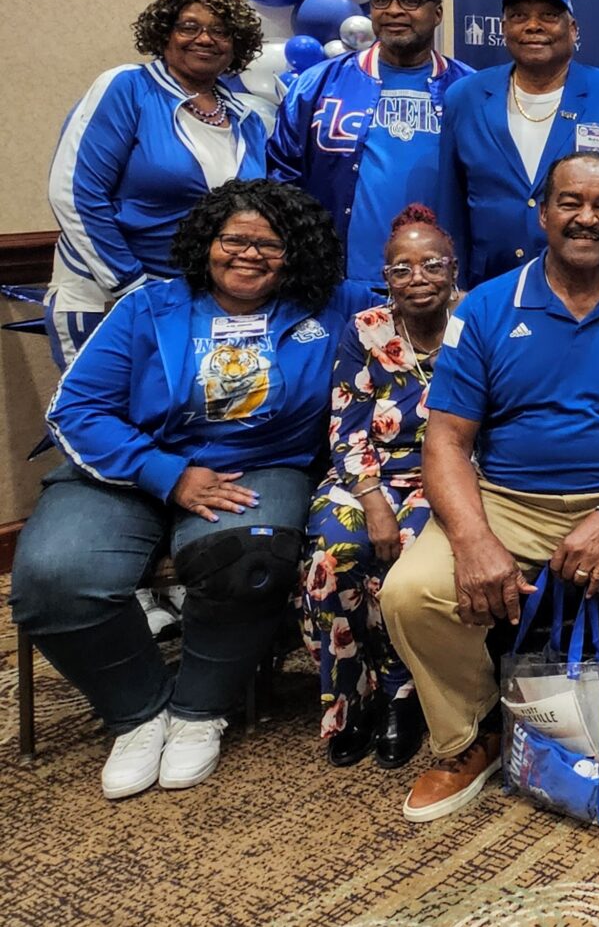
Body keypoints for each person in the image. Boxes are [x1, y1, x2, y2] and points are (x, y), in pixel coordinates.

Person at [383, 153, 599, 822]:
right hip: (507, 497)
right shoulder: (483, 307)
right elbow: (445, 440)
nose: (587, 217)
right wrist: (473, 539)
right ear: (542, 212)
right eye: (570, 201)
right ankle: (471, 736)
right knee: (411, 592)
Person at [11, 180, 359, 799]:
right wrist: (168, 476)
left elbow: (421, 296)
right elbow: (78, 409)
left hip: (257, 465)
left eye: (270, 244)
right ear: (207, 243)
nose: (248, 255)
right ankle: (140, 714)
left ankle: (199, 710)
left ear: (296, 252)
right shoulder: (148, 308)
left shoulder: (327, 308)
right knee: (50, 576)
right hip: (130, 469)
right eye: (234, 239)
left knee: (250, 557)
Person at [299, 205, 461, 769]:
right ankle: (349, 702)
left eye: (432, 265)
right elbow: (345, 424)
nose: (418, 279)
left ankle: (400, 696)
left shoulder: (477, 324)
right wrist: (372, 500)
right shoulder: (366, 330)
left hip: (449, 475)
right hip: (366, 473)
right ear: (385, 277)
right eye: (402, 269)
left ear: (454, 269)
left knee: (408, 562)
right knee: (334, 555)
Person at [45, 0, 270, 367]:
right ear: (164, 33)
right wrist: (130, 284)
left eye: (220, 31)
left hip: (191, 302)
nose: (205, 38)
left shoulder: (245, 117)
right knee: (95, 418)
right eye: (189, 26)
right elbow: (73, 193)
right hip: (108, 298)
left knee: (170, 422)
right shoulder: (127, 88)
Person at [268, 0, 474, 283]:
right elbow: (282, 177)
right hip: (338, 282)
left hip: (435, 285)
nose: (394, 10)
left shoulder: (469, 89)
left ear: (437, 13)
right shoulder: (319, 84)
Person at [435, 0, 599, 282]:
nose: (533, 25)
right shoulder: (465, 97)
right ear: (504, 29)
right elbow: (450, 204)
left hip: (590, 285)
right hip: (488, 287)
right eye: (519, 16)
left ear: (573, 29)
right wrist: (454, 284)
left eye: (549, 16)